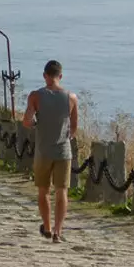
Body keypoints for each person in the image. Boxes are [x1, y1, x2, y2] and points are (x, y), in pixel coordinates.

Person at [22, 60, 79, 243]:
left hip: (43, 150)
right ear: (60, 76)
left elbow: (26, 121)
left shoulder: (35, 96)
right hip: (63, 151)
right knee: (62, 191)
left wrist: (36, 124)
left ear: (45, 75)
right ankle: (58, 231)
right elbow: (74, 128)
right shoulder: (71, 97)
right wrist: (64, 136)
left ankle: (46, 226)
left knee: (43, 190)